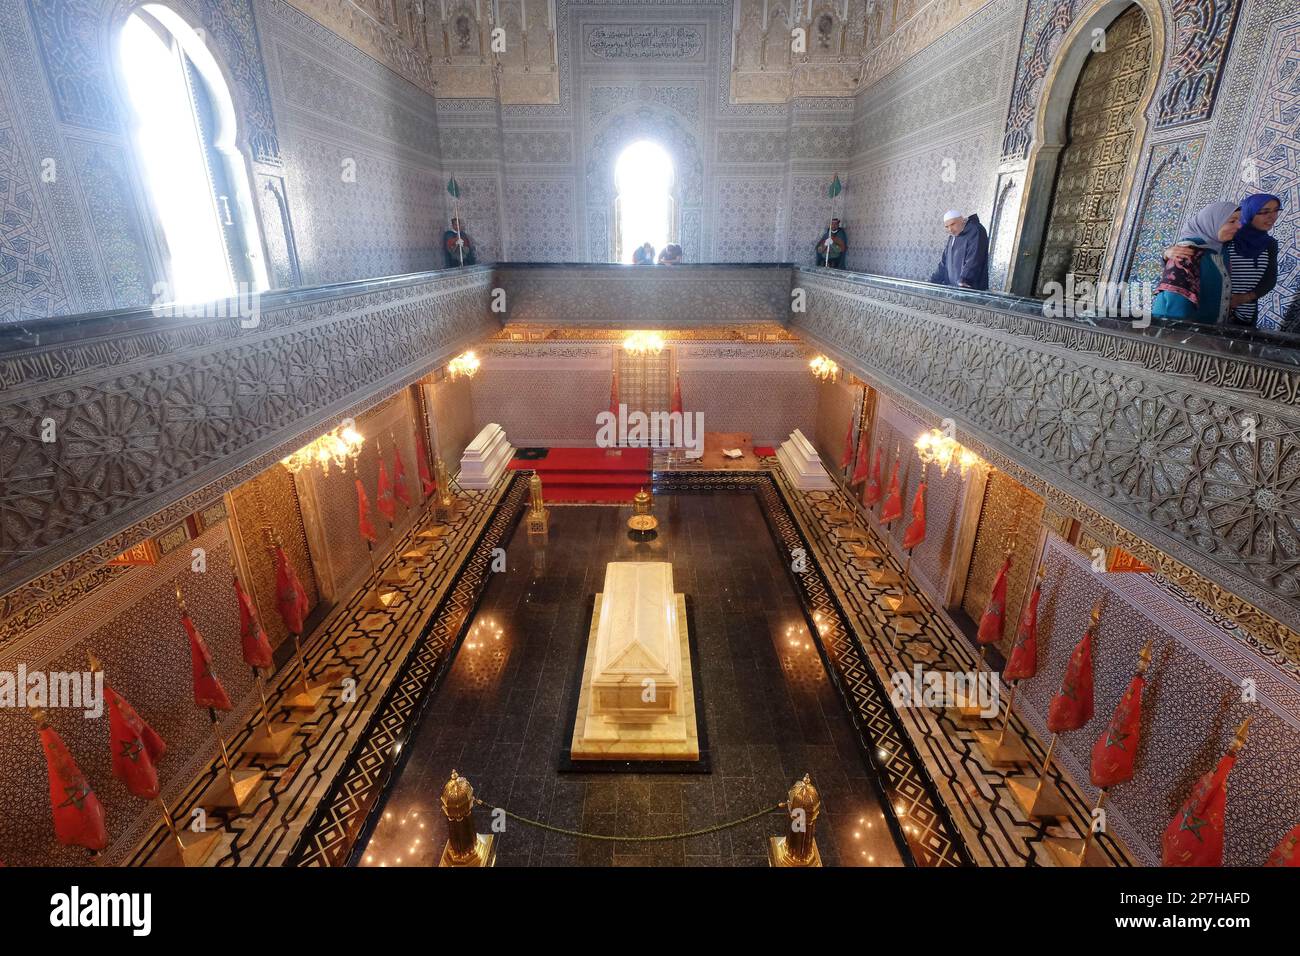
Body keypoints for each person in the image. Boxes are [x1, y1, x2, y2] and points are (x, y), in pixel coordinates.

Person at [1164, 194, 1281, 329]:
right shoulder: (1227, 237)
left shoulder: (1269, 244)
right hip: (1206, 316)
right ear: (1249, 212)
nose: (1272, 216)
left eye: (1276, 210)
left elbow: (1269, 279)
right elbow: (1191, 256)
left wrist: (1243, 298)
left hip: (1244, 314)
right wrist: (1167, 254)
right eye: (1264, 212)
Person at [1151, 202, 1241, 325]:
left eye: (1239, 221)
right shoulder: (1188, 252)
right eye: (1232, 221)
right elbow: (1173, 308)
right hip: (1183, 336)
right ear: (1212, 222)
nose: (1239, 226)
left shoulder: (1221, 251)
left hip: (1210, 335)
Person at [928, 210, 989, 289]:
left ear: (962, 220)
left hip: (970, 290)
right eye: (947, 227)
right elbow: (944, 262)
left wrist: (965, 279)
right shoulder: (953, 236)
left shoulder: (976, 230)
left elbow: (974, 258)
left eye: (953, 224)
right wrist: (933, 281)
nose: (950, 229)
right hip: (953, 290)